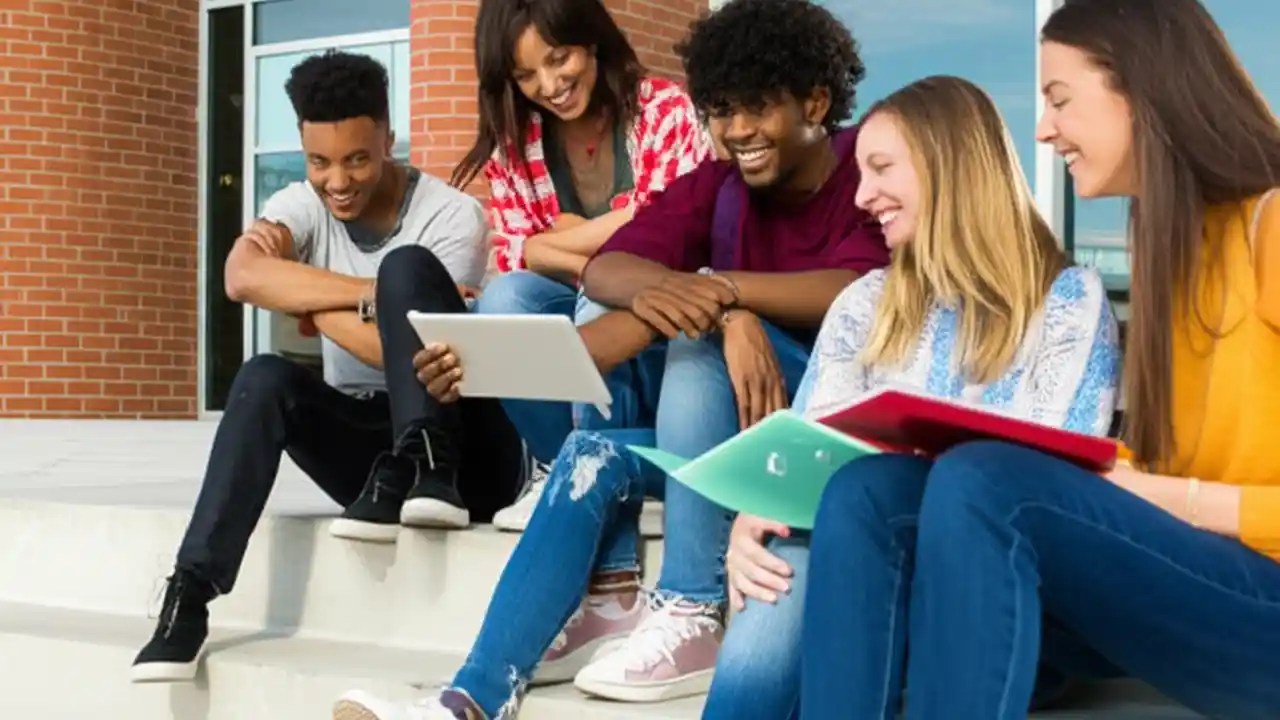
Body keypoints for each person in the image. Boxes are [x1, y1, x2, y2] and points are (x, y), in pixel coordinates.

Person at [332, 0, 886, 717]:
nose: (737, 130)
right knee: (591, 450)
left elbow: (857, 290)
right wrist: (480, 371)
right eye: (721, 110)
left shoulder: (863, 172)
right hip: (720, 450)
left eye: (758, 107)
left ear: (816, 101)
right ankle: (468, 698)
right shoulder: (718, 186)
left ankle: (691, 606)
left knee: (693, 343)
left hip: (813, 434)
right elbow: (609, 272)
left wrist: (725, 296)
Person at [800, 1, 1280, 718]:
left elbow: (1178, 499)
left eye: (1059, 99)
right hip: (1190, 583)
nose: (1043, 127)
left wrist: (1160, 497)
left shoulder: (1269, 228)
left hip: (1259, 607)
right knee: (870, 492)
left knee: (990, 480)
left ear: (1141, 89)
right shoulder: (1175, 254)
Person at [700, 74, 1121, 720]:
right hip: (868, 571)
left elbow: (1054, 500)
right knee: (786, 555)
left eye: (880, 169)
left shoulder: (1068, 302)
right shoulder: (865, 303)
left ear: (945, 168)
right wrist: (756, 517)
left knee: (866, 504)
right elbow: (807, 451)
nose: (862, 196)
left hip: (1013, 597)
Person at [130, 51, 525, 683]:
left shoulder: (453, 216)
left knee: (405, 268)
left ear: (388, 141)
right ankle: (191, 595)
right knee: (262, 377)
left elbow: (411, 352)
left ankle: (425, 459)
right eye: (320, 162)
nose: (336, 180)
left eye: (357, 159)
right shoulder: (301, 204)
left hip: (468, 452)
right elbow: (242, 275)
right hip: (376, 470)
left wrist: (313, 304)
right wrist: (368, 298)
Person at [458, 0, 712, 531]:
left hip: (660, 332)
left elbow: (669, 229)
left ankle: (598, 475)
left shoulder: (661, 109)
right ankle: (560, 464)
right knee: (504, 301)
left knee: (603, 294)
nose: (549, 85)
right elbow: (511, 254)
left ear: (591, 40)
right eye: (525, 74)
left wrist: (556, 244)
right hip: (577, 316)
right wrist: (610, 228)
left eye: (559, 59)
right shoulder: (515, 143)